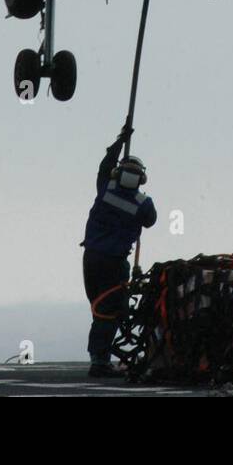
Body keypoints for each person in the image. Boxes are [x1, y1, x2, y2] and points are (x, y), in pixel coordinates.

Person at [81, 126, 156, 378]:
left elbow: (105, 164)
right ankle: (99, 361)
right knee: (109, 311)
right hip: (114, 264)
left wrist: (120, 141)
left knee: (98, 308)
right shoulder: (143, 203)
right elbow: (150, 221)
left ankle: (98, 356)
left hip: (91, 259)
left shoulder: (105, 188)